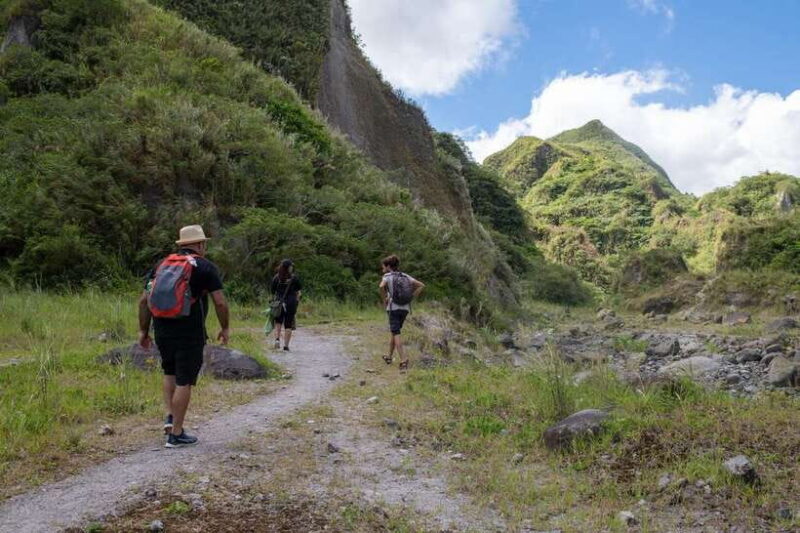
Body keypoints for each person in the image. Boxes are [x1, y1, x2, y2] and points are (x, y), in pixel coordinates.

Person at [137, 225, 230, 448]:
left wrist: (143, 331)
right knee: (184, 380)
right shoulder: (206, 267)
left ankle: (170, 418)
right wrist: (225, 327)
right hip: (190, 332)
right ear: (200, 245)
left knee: (169, 372)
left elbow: (143, 301)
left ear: (182, 244)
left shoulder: (162, 264)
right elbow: (220, 302)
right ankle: (176, 434)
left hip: (162, 328)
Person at [379, 254, 424, 370]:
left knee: (396, 333)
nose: (382, 269)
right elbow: (421, 285)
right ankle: (389, 356)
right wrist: (411, 297)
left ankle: (404, 359)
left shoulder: (387, 276)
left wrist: (384, 301)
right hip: (405, 309)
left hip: (393, 308)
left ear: (388, 266)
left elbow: (381, 287)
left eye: (383, 266)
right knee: (395, 332)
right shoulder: (405, 276)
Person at [270, 258, 302, 352]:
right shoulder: (294, 278)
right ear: (288, 268)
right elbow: (299, 293)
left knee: (278, 322)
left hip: (279, 302)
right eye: (291, 266)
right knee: (288, 325)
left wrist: (273, 302)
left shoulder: (276, 278)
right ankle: (286, 346)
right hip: (291, 302)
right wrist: (297, 302)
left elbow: (272, 292)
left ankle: (277, 340)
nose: (292, 267)